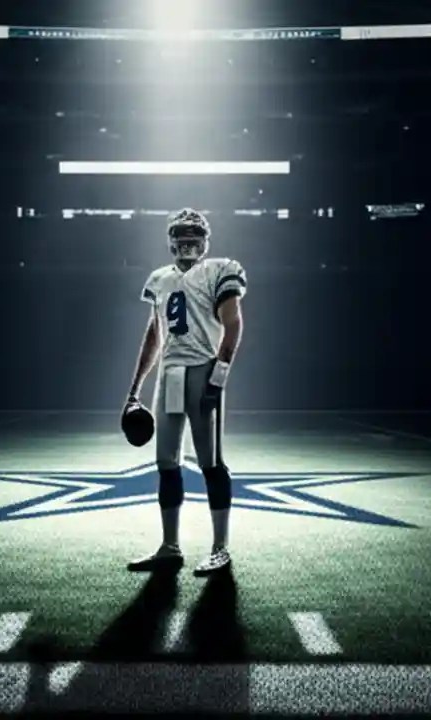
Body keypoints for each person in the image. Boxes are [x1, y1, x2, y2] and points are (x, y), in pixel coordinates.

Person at [123, 208, 246, 576]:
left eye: (195, 233)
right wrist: (135, 389)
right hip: (170, 373)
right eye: (182, 233)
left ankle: (220, 548)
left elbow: (233, 324)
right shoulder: (159, 278)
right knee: (166, 462)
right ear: (170, 239)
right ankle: (170, 545)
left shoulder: (219, 269)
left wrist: (218, 378)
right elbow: (154, 334)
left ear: (206, 239)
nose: (188, 240)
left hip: (203, 369)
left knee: (210, 462)